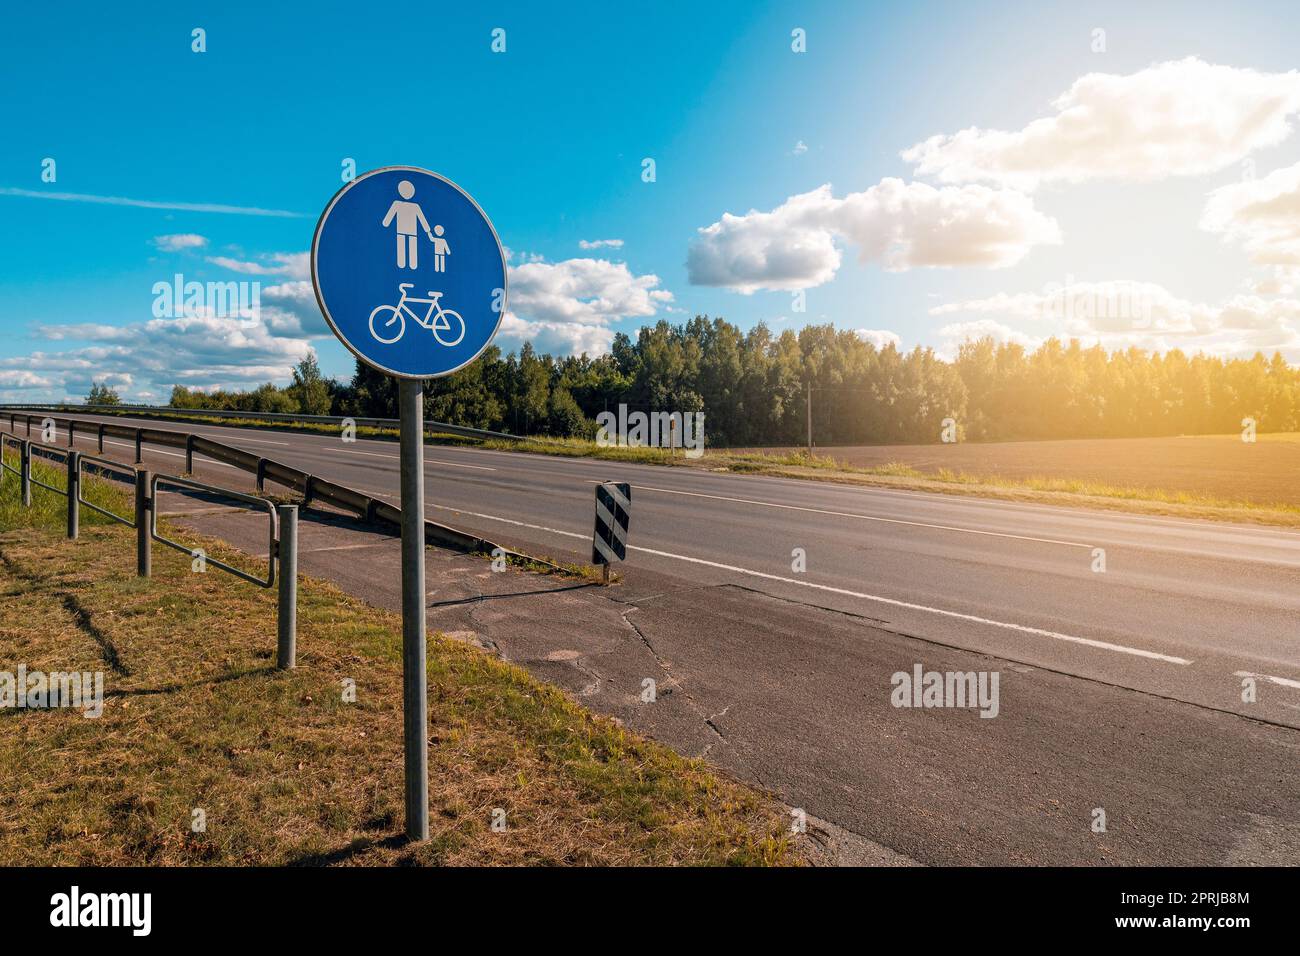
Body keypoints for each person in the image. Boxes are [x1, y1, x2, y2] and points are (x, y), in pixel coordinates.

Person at [381, 180, 433, 270]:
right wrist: (386, 222)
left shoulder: (415, 206)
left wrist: (427, 229)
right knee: (403, 245)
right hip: (403, 231)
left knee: (411, 246)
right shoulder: (397, 204)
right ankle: (403, 264)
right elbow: (390, 215)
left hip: (410, 231)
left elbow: (422, 218)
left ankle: (412, 264)